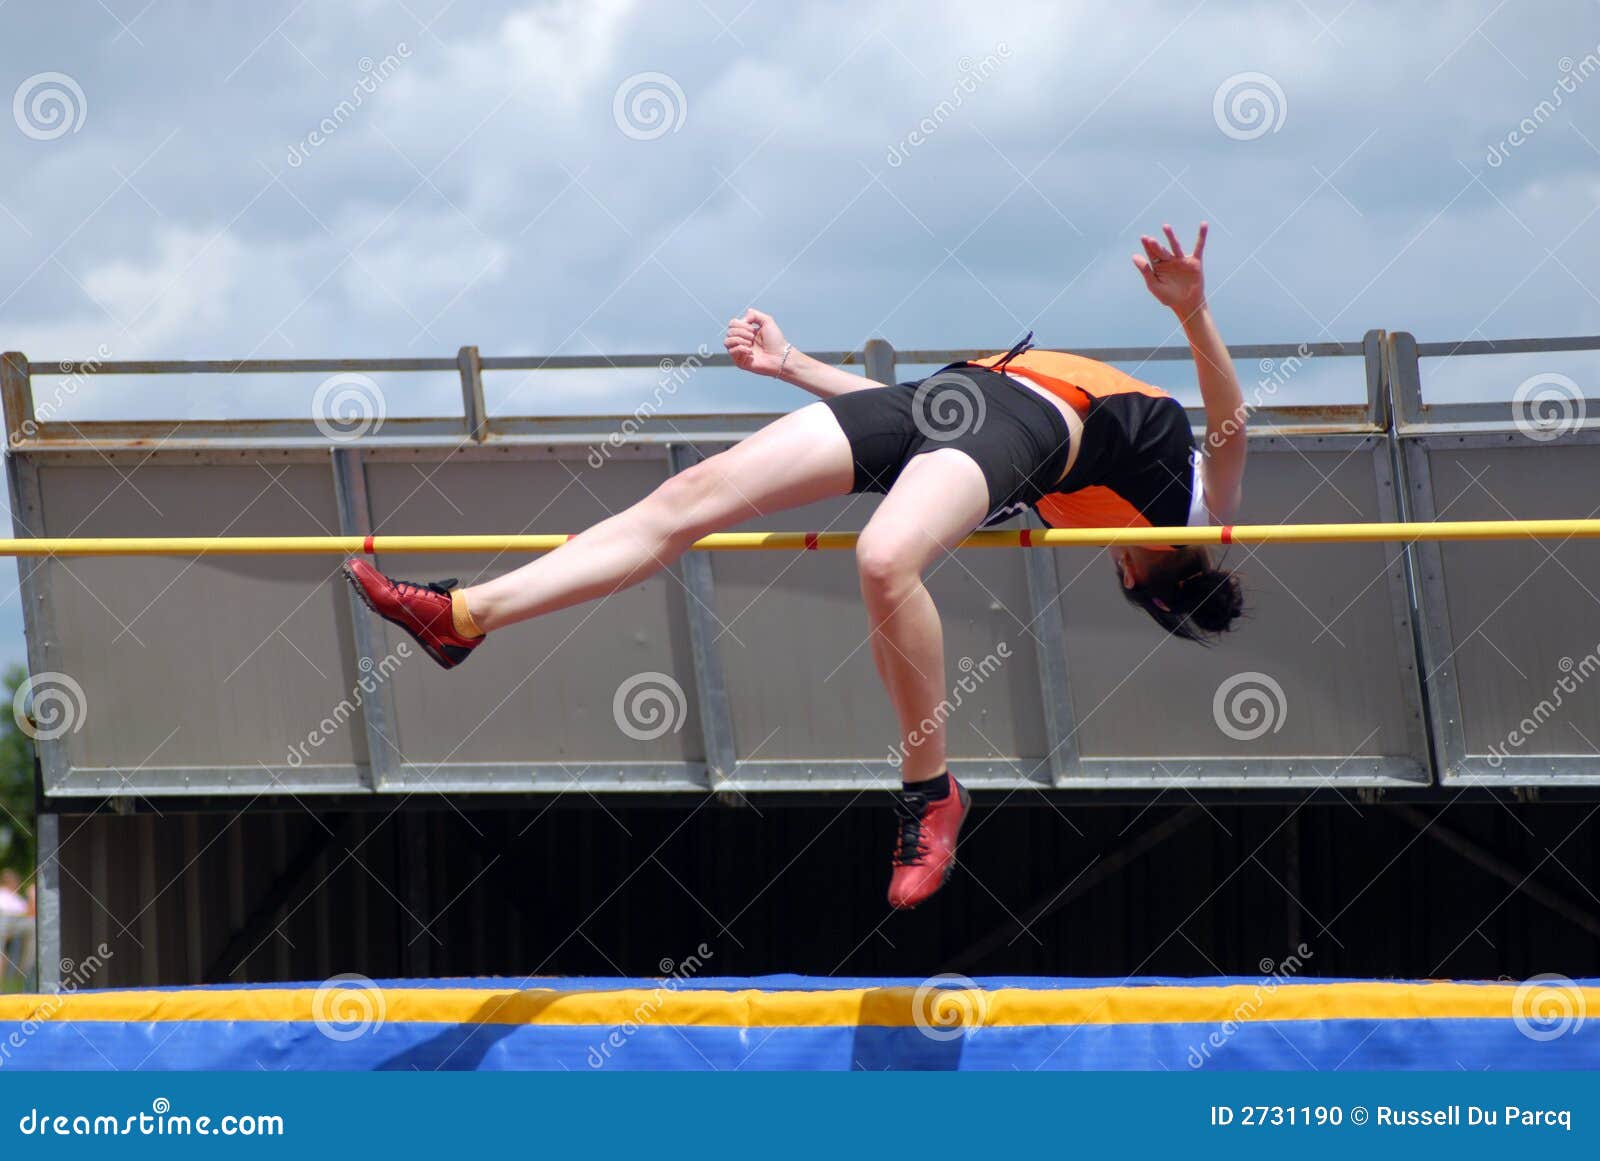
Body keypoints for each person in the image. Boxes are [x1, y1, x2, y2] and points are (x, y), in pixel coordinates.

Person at [344, 223, 1246, 910]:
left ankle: (931, 790)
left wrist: (1192, 309)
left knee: (887, 556)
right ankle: (461, 616)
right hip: (957, 398)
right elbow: (1225, 422)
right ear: (1137, 582)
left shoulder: (1164, 511)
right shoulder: (1194, 511)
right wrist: (793, 366)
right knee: (690, 496)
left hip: (1023, 422)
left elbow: (1001, 445)